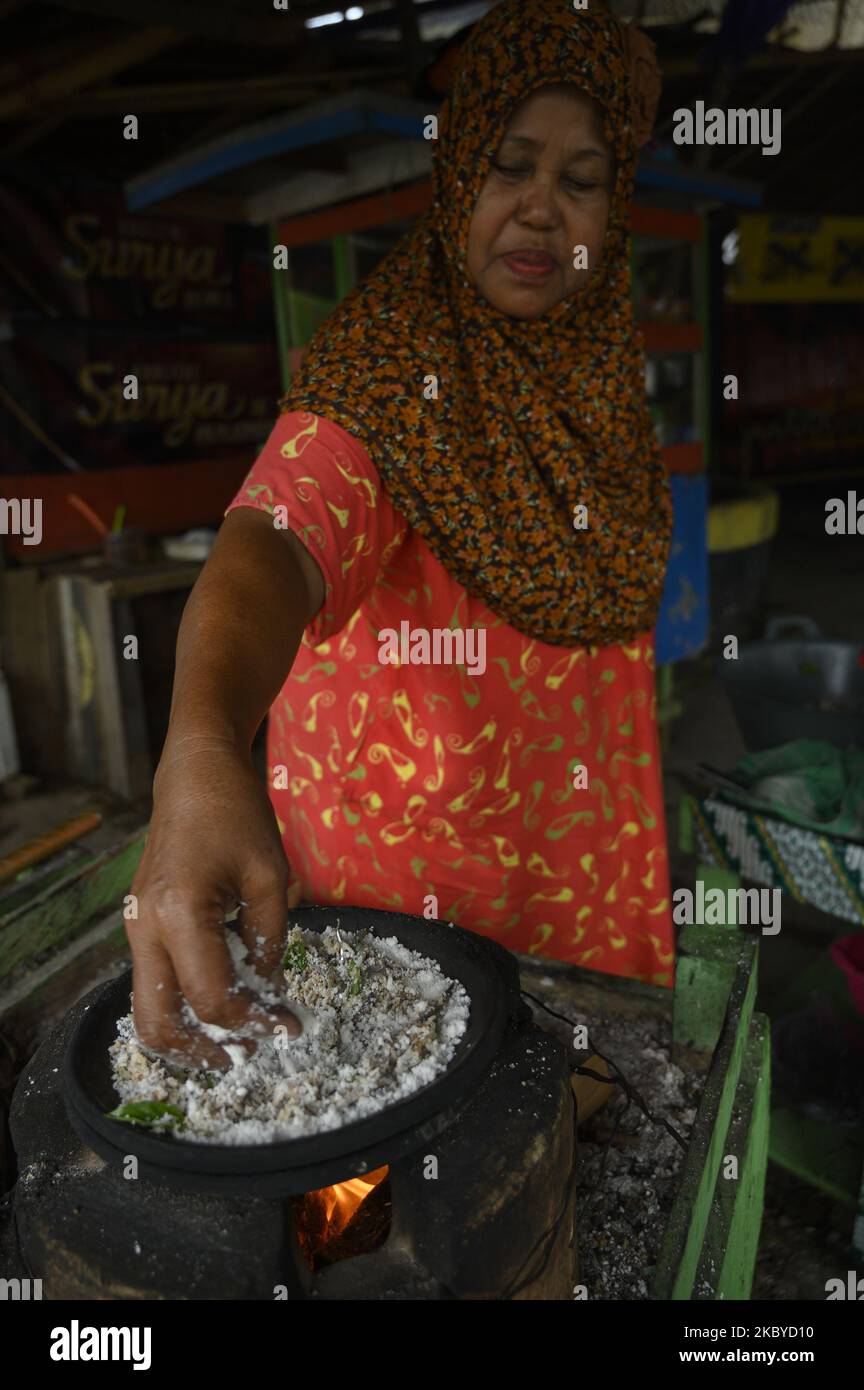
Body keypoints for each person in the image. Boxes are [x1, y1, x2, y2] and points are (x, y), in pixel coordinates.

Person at [128, 0, 674, 1067]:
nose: (539, 210)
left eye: (582, 179)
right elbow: (275, 545)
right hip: (420, 937)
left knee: (591, 1136)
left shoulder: (600, 377)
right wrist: (199, 748)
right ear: (460, 171)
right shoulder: (386, 365)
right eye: (510, 166)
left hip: (588, 898)